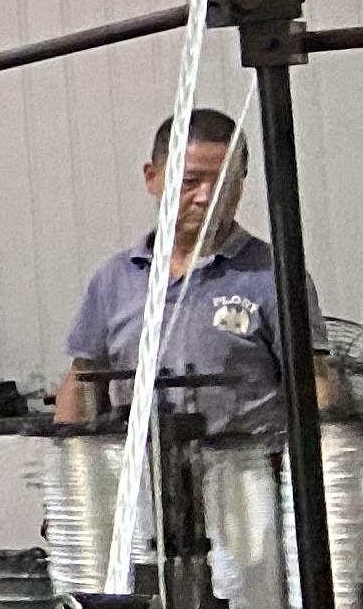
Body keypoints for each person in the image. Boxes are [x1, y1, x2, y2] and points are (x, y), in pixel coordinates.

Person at [54, 108, 317, 430]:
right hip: (143, 459)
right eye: (190, 181)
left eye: (225, 182)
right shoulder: (115, 279)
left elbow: (315, 381)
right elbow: (81, 381)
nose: (206, 197)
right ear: (152, 178)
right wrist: (70, 447)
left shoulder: (274, 276)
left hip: (248, 459)